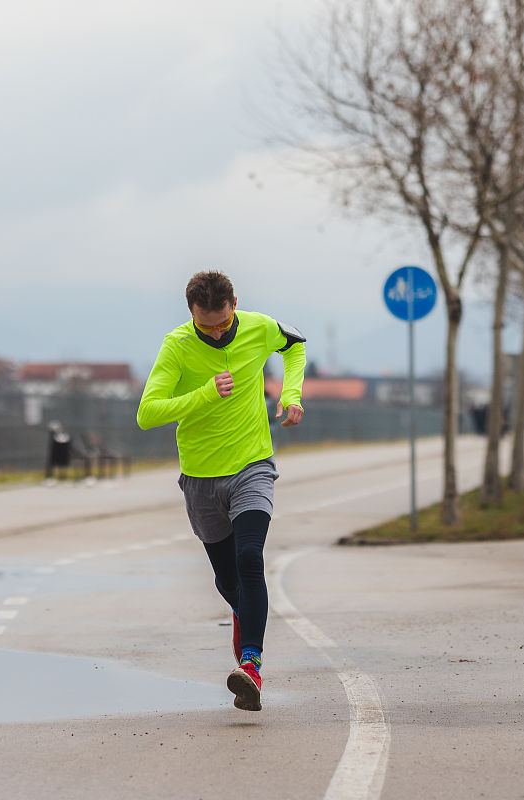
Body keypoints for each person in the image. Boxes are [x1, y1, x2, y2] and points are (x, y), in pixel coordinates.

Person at [136, 270, 306, 711]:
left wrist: (291, 395)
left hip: (252, 466)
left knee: (250, 558)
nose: (215, 332)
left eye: (222, 323)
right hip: (200, 478)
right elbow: (148, 413)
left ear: (235, 303)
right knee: (228, 579)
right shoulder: (177, 346)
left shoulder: (257, 326)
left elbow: (295, 345)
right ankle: (243, 614)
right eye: (205, 326)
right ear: (190, 313)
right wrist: (205, 395)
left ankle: (250, 665)